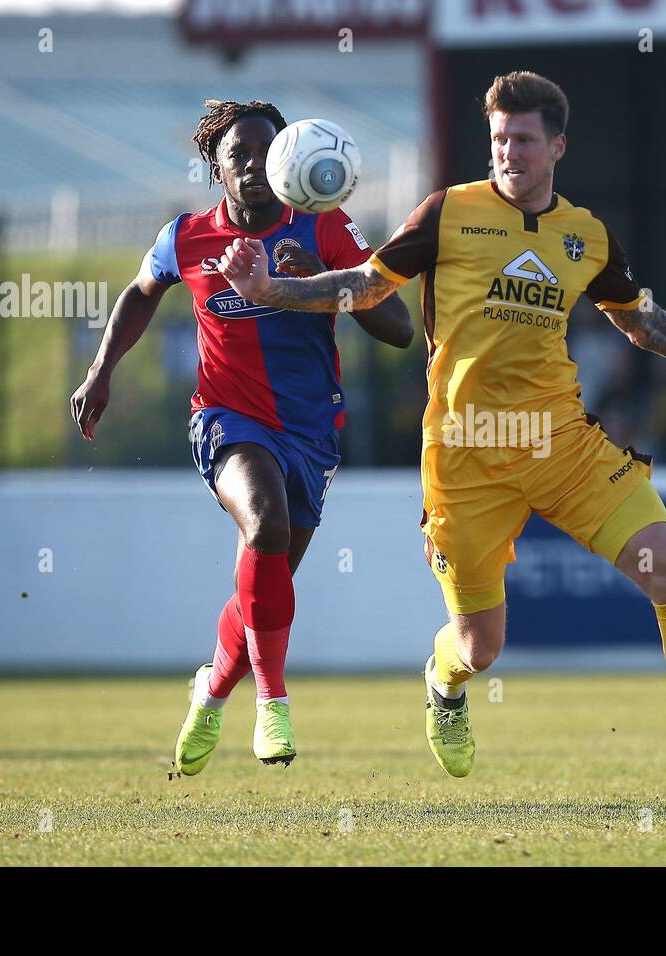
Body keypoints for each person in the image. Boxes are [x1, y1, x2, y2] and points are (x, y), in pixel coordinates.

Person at [214, 73, 666, 815]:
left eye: (524, 139)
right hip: (465, 456)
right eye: (499, 138)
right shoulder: (449, 212)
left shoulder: (588, 236)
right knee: (480, 647)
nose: (508, 151)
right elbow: (368, 287)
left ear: (557, 146)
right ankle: (443, 684)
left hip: (561, 444)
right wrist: (273, 292)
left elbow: (647, 325)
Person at [68, 100, 412, 775]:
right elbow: (142, 292)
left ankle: (212, 689)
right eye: (239, 155)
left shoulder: (324, 227)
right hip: (225, 420)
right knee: (264, 520)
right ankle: (273, 702)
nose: (254, 165)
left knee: (266, 578)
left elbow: (397, 325)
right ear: (216, 169)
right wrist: (102, 369)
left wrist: (312, 282)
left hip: (311, 433)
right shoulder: (187, 237)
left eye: (266, 151)